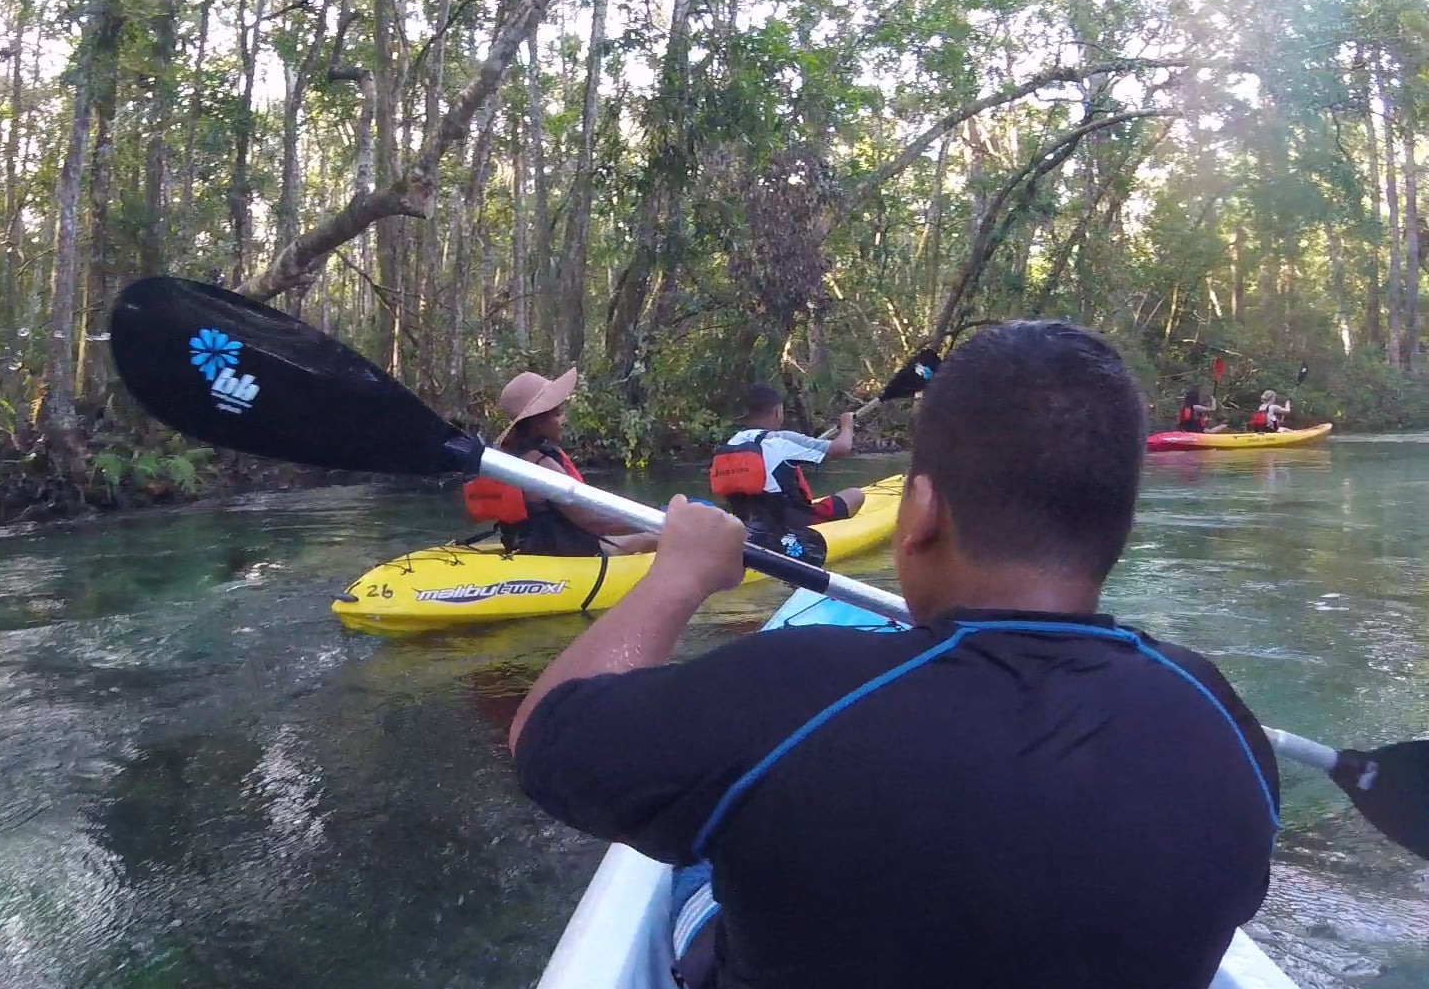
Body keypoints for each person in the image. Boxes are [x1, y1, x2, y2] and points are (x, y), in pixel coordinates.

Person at [509, 321, 1278, 989]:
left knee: (699, 851)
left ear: (920, 513)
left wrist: (677, 577)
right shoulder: (1218, 719)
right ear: (1120, 523)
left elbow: (544, 733)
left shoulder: (790, 689)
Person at [461, 368, 659, 556]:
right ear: (537, 422)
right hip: (571, 554)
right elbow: (592, 521)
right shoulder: (542, 465)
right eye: (557, 413)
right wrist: (653, 521)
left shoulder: (509, 461)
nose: (563, 420)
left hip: (526, 547)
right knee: (659, 536)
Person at [708, 385, 864, 565]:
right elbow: (842, 448)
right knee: (855, 494)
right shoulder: (781, 440)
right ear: (777, 412)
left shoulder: (732, 443)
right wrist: (847, 425)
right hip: (792, 525)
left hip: (749, 525)